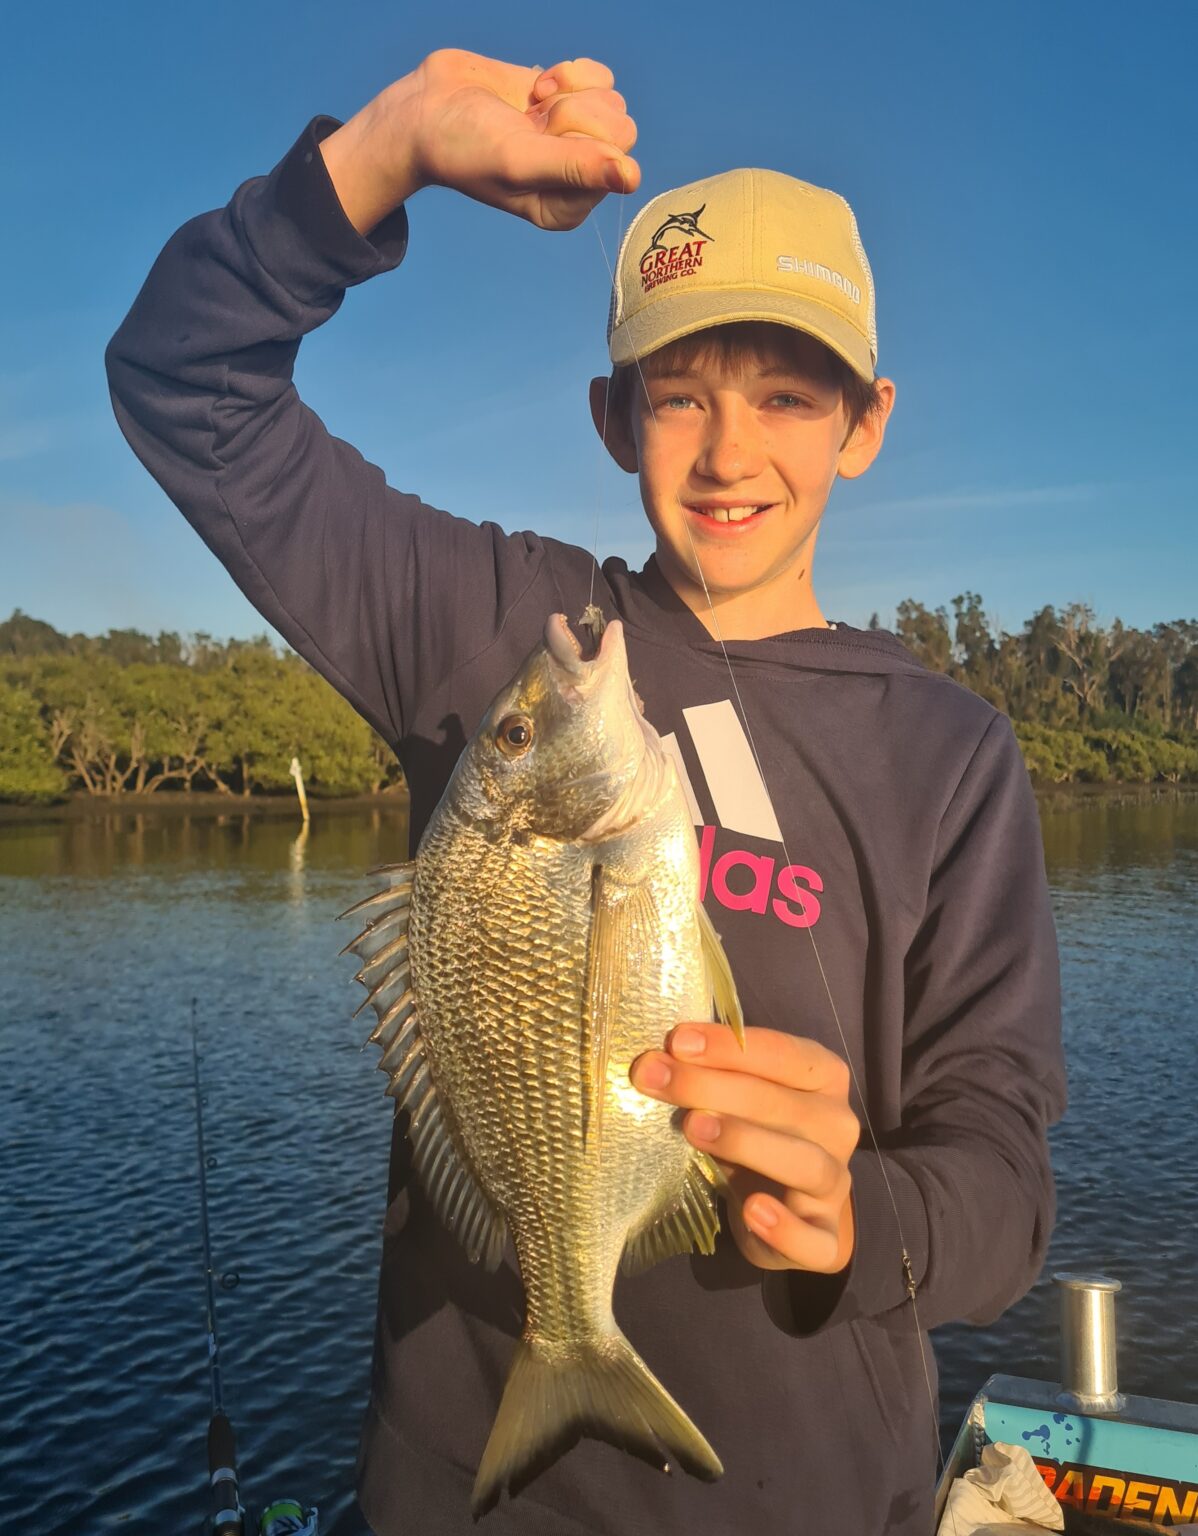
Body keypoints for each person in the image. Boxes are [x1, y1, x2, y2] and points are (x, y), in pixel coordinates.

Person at [105, 47, 1067, 1536]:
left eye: (787, 396)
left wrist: (859, 1217)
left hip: (807, 1499)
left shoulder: (949, 751)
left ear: (864, 422)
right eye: (678, 396)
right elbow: (186, 383)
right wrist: (387, 149)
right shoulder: (505, 630)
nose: (730, 450)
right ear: (614, 421)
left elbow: (1001, 1169)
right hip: (465, 1493)